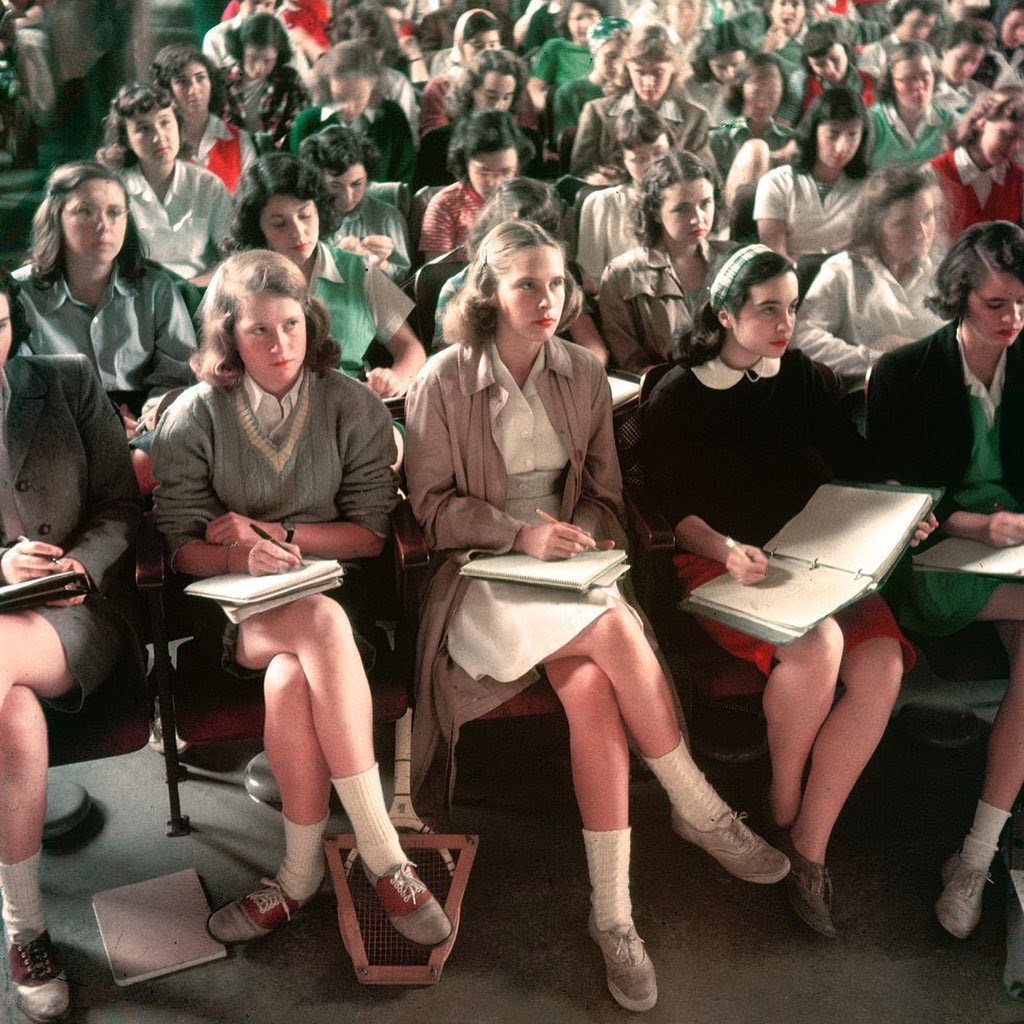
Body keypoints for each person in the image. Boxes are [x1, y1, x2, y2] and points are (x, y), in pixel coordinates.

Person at [405, 220, 789, 1013]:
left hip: (568, 564)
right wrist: (520, 533)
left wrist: (580, 543)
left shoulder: (581, 370)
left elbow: (608, 492)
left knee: (589, 691)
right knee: (614, 630)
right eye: (526, 285)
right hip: (482, 573)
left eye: (556, 284)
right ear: (489, 292)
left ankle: (612, 916)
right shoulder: (441, 380)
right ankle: (701, 808)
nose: (547, 300)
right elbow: (431, 511)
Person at [150, 249, 452, 959]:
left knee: (294, 674)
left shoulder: (351, 403)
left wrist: (275, 531)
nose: (280, 345)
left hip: (340, 608)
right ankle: (385, 858)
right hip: (237, 614)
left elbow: (371, 538)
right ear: (228, 338)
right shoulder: (195, 415)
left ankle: (295, 876)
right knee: (311, 624)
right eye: (258, 331)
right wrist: (236, 556)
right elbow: (178, 549)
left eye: (291, 324)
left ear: (310, 324)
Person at [642, 244, 931, 938]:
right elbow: (670, 508)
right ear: (725, 313)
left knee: (883, 662)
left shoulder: (799, 374)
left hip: (813, 558)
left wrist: (902, 511)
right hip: (722, 562)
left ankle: (809, 845)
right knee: (820, 644)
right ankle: (782, 798)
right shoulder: (680, 392)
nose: (785, 322)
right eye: (768, 308)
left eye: (792, 307)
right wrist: (725, 550)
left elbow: (850, 460)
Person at [865, 220, 1024, 942]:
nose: (1013, 320)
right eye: (996, 304)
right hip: (936, 561)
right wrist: (973, 525)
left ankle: (976, 853)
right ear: (961, 297)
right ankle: (979, 854)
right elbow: (898, 497)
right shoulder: (907, 371)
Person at [0, 274, 144, 1024]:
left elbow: (122, 503)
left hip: (81, 611)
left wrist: (76, 565)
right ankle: (26, 931)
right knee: (12, 720)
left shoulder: (65, 382)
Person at [11, 161, 196, 440]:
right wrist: (96, 420)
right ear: (56, 217)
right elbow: (16, 383)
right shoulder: (19, 294)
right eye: (85, 211)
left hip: (144, 425)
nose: (103, 225)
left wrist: (148, 419)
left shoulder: (157, 289)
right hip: (56, 427)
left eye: (114, 212)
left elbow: (178, 375)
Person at [227, 153, 424, 397]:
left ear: (320, 209)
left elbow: (411, 350)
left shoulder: (358, 271)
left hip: (349, 406)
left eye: (305, 215)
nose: (298, 233)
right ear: (258, 228)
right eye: (280, 223)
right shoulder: (234, 280)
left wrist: (395, 379)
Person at [791, 163, 945, 396]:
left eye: (927, 217)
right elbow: (802, 338)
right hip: (870, 399)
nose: (922, 233)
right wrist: (877, 359)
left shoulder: (945, 275)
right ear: (876, 226)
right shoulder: (843, 271)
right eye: (903, 223)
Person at [598, 150, 735, 374]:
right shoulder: (621, 275)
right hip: (668, 393)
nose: (698, 218)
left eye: (705, 203)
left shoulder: (732, 260)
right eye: (682, 208)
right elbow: (631, 362)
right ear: (655, 212)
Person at [96, 83, 233, 284]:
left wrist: (187, 290)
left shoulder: (208, 186)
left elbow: (231, 261)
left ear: (177, 125)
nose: (158, 137)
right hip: (139, 296)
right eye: (143, 129)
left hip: (202, 295)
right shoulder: (114, 191)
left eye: (165, 122)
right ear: (126, 139)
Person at [570, 25, 712, 185]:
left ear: (673, 69)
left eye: (658, 72)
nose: (648, 82)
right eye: (640, 72)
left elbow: (708, 177)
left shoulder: (695, 118)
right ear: (627, 69)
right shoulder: (597, 112)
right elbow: (578, 174)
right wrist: (595, 180)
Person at [754, 87, 873, 261]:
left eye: (852, 135)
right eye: (833, 134)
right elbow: (775, 256)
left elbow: (866, 256)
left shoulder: (870, 189)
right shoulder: (776, 183)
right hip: (787, 282)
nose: (842, 147)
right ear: (814, 131)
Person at [288, 40, 415, 185]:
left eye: (358, 97)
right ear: (327, 87)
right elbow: (301, 181)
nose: (349, 107)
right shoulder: (307, 122)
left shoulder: (392, 115)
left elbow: (405, 175)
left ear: (373, 84)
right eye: (340, 98)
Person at [412, 48, 538, 192]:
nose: (499, 105)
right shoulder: (436, 142)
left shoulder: (529, 142)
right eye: (491, 96)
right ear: (472, 90)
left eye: (506, 97)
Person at [576, 106, 673, 294]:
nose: (653, 166)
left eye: (659, 153)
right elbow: (592, 281)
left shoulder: (689, 201)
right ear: (622, 161)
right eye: (639, 159)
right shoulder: (602, 204)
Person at [299, 124, 412, 282]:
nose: (348, 196)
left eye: (357, 184)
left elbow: (403, 282)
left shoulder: (388, 217)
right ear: (317, 181)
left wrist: (379, 264)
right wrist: (334, 262)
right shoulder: (301, 217)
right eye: (335, 186)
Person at [418, 108, 533, 261]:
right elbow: (435, 275)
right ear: (466, 164)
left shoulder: (530, 201)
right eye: (484, 172)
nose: (495, 183)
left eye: (506, 172)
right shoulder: (445, 204)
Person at [151, 43, 256, 194]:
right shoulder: (160, 143)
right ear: (168, 90)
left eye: (200, 78)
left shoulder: (239, 140)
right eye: (182, 82)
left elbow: (251, 200)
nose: (194, 89)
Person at [929, 85, 1024, 242]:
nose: (1016, 147)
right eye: (1008, 135)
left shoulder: (1018, 181)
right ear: (981, 122)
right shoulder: (935, 174)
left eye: (1022, 140)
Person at [707, 53, 796, 208]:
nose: (763, 104)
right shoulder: (723, 131)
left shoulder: (789, 138)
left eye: (771, 96)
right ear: (741, 90)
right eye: (755, 94)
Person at [222, 11, 310, 150]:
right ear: (241, 50)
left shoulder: (289, 81)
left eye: (268, 60)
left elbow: (298, 128)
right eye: (253, 57)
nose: (259, 68)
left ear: (278, 56)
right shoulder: (222, 80)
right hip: (231, 157)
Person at [868, 41, 953, 169]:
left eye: (925, 76)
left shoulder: (949, 122)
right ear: (891, 83)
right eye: (908, 79)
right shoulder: (872, 122)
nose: (919, 85)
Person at [418, 8, 503, 135]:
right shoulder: (440, 88)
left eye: (493, 45)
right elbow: (435, 137)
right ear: (461, 46)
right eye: (478, 46)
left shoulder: (511, 82)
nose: (487, 52)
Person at [778, 19, 875, 126]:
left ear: (846, 51)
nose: (831, 70)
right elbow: (782, 126)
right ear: (809, 64)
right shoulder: (801, 80)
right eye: (820, 65)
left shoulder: (871, 78)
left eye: (835, 59)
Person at [551, 15, 629, 140]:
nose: (620, 65)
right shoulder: (570, 93)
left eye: (626, 58)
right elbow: (566, 143)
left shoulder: (634, 91)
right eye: (611, 56)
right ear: (594, 54)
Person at [526, 0, 606, 114]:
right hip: (566, 115)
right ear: (566, 21)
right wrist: (553, 108)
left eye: (591, 16)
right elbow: (534, 89)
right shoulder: (555, 47)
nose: (585, 24)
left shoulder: (608, 49)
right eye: (578, 18)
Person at [683, 22, 753, 128]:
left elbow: (752, 123)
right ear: (707, 62)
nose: (730, 73)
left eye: (735, 65)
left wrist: (724, 127)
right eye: (721, 67)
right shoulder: (690, 86)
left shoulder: (754, 83)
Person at [857, 0, 941, 81]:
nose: (921, 32)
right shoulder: (874, 53)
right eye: (915, 23)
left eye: (927, 26)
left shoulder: (930, 55)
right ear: (899, 18)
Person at [932, 19, 994, 119]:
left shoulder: (982, 94)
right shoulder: (924, 85)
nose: (966, 68)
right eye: (961, 59)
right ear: (945, 50)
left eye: (974, 61)